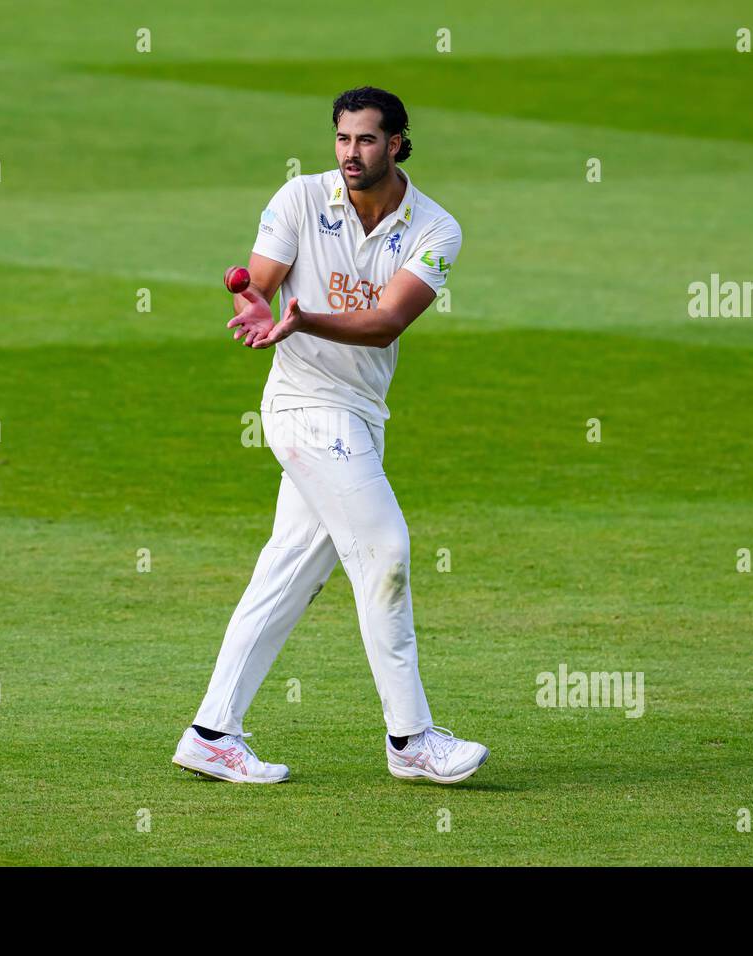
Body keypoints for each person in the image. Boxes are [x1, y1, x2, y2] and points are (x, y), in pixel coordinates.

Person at [173, 86, 488, 785]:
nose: (352, 153)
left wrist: (302, 317)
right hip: (302, 406)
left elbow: (384, 322)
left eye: (367, 140)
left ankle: (211, 732)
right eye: (343, 139)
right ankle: (411, 740)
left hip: (360, 414)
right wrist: (254, 301)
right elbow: (255, 282)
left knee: (286, 574)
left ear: (398, 143)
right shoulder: (298, 199)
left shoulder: (437, 229)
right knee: (386, 550)